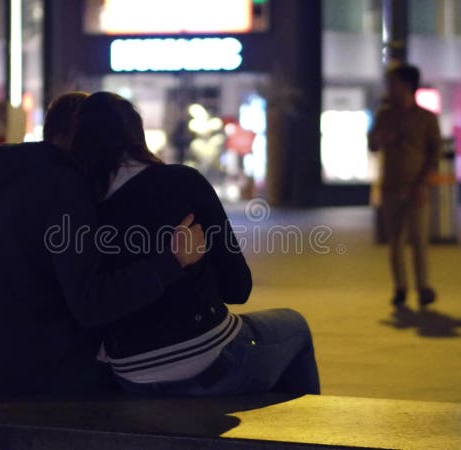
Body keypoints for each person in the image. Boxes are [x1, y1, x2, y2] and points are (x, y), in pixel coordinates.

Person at [69, 92, 320, 396]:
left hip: (130, 375)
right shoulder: (183, 182)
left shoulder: (81, 205)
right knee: (296, 329)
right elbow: (238, 287)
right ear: (136, 135)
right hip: (212, 361)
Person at [0, 92, 207, 395]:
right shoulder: (65, 188)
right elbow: (89, 302)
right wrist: (171, 262)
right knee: (161, 369)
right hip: (42, 366)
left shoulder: (15, 177)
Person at [368, 64, 441, 309]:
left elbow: (435, 153)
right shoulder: (385, 115)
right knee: (395, 240)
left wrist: (424, 182)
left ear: (407, 86)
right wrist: (379, 138)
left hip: (416, 187)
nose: (390, 88)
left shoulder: (426, 118)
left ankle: (423, 287)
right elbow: (373, 145)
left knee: (419, 238)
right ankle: (400, 287)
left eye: (394, 83)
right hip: (390, 186)